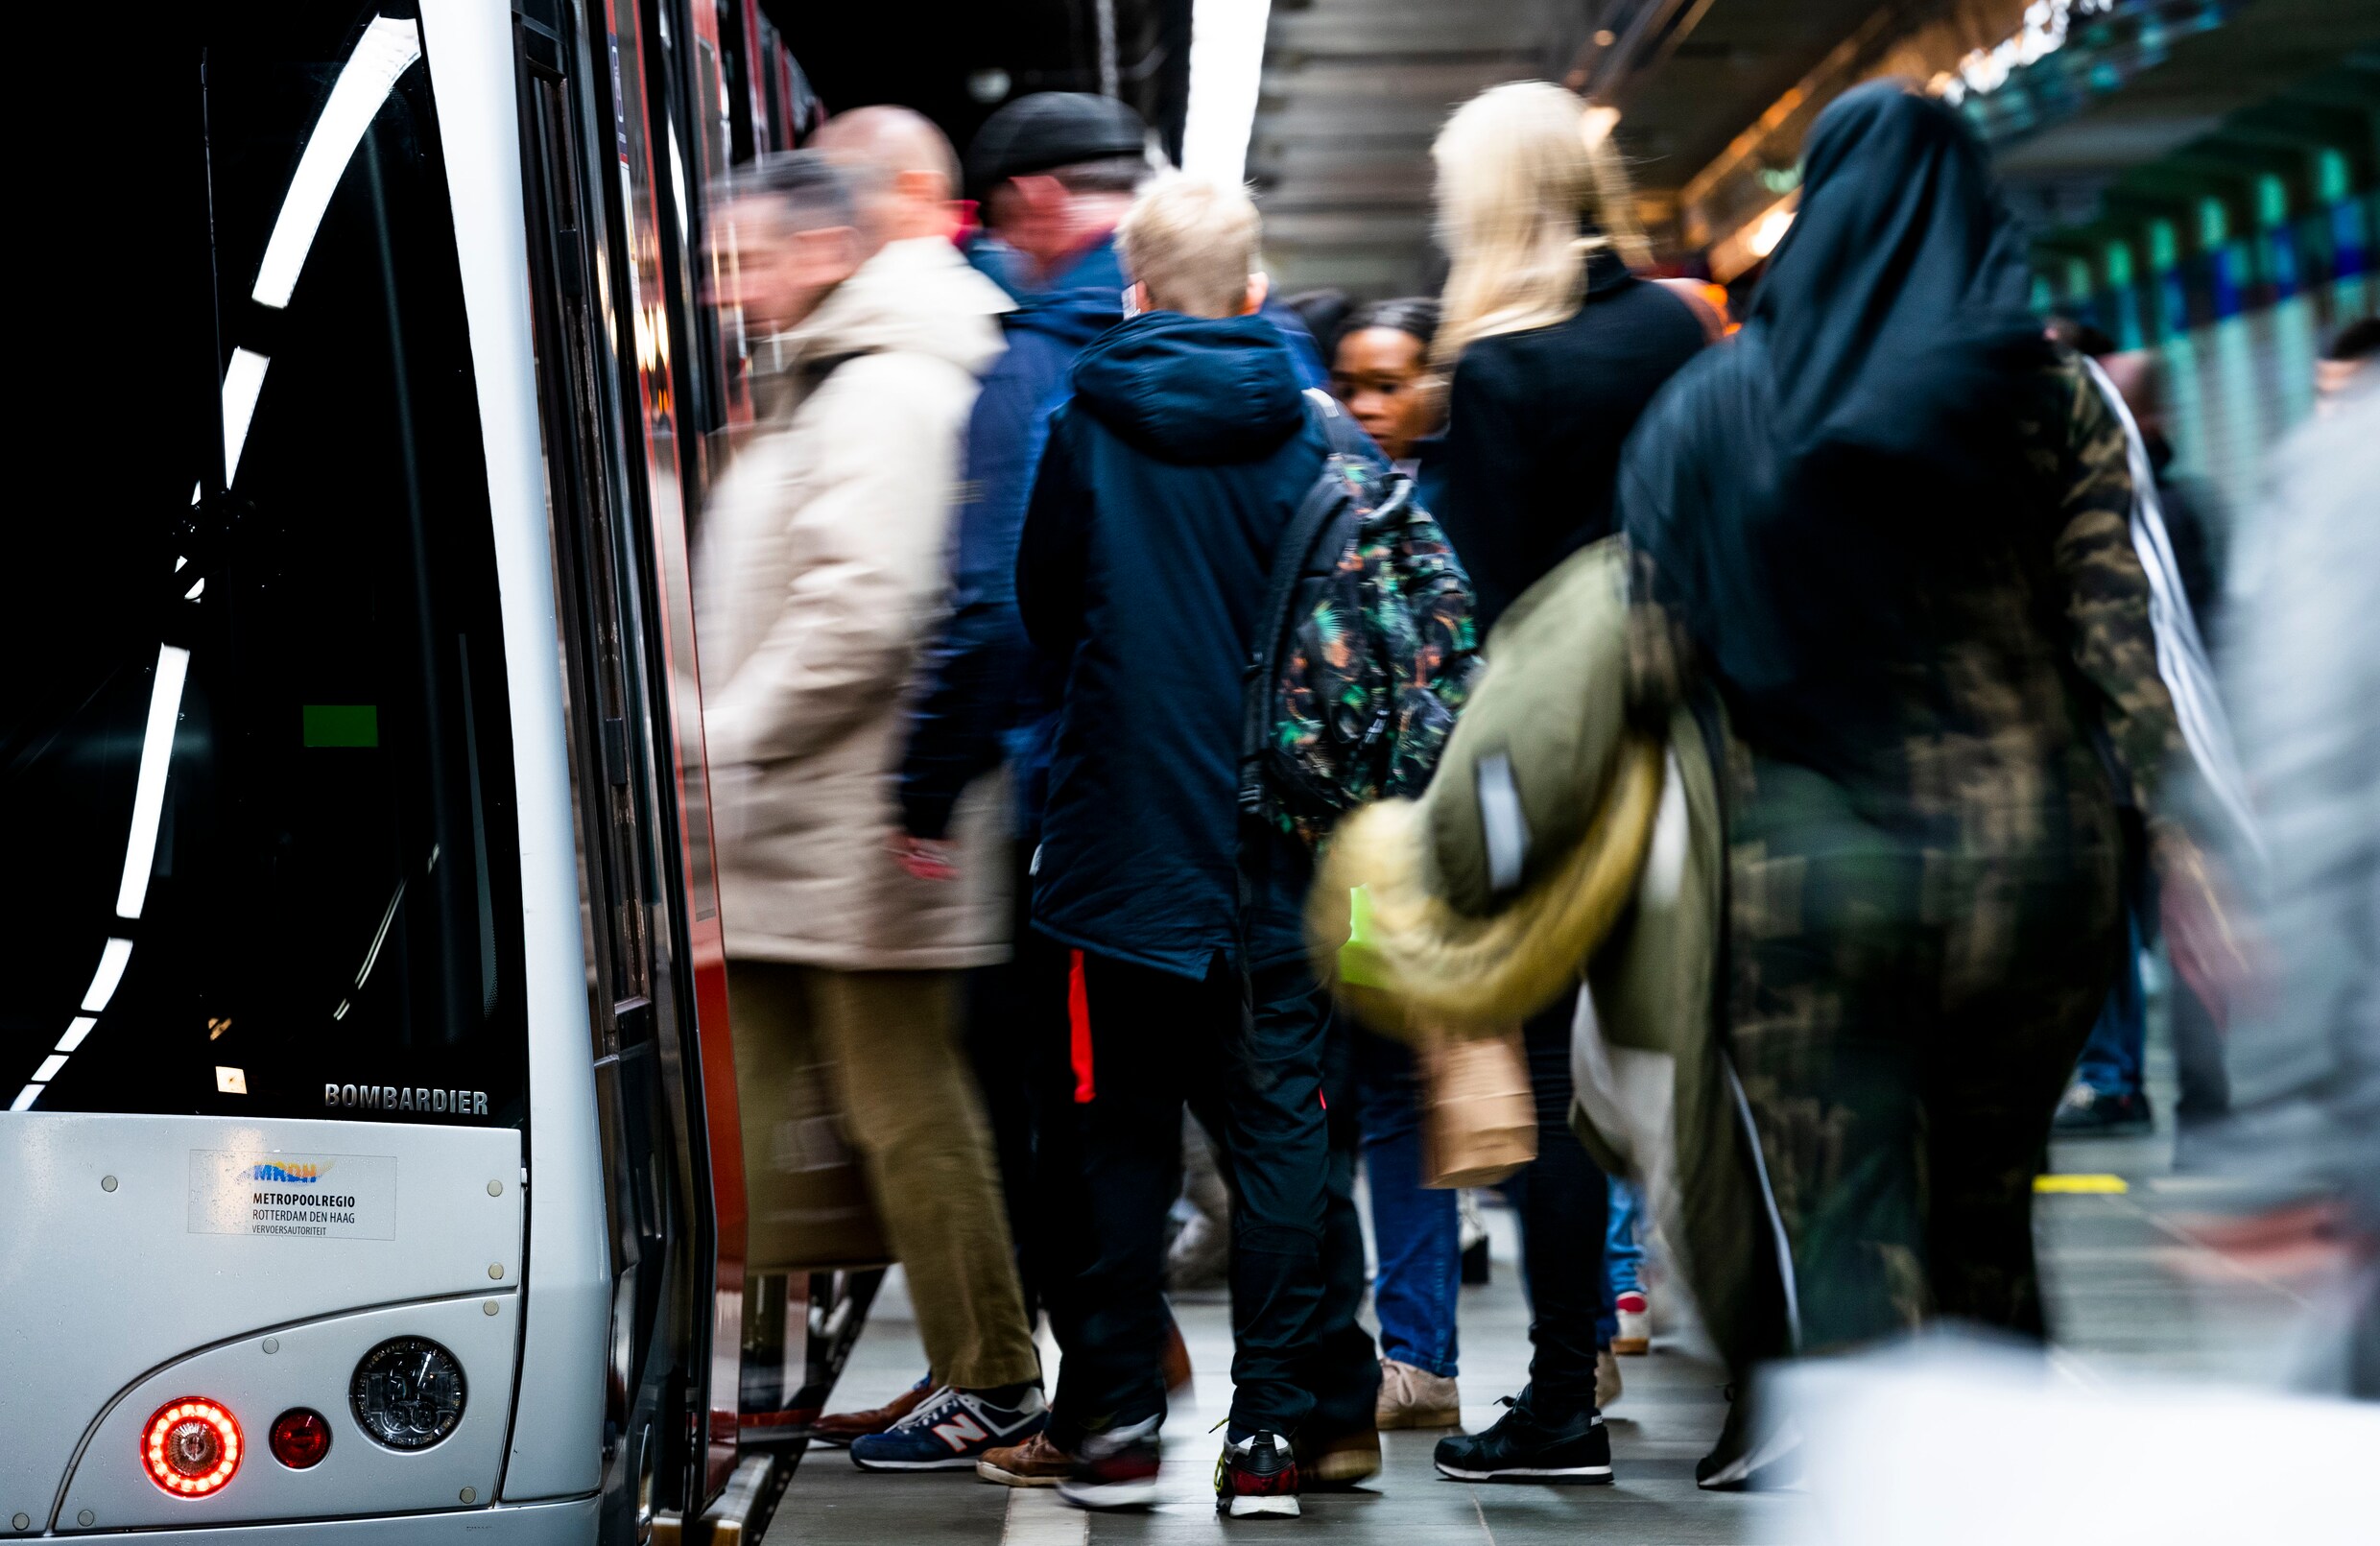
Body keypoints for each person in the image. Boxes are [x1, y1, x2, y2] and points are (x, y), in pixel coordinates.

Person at [1614, 83, 2211, 1475]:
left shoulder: (1712, 402)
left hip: (1809, 881)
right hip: (2036, 869)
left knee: (1850, 1220)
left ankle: (1888, 1482)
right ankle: (1999, 1480)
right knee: (1989, 1211)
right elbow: (2119, 637)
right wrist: (2184, 838)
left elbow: (1645, 657)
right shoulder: (2050, 393)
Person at [1015, 173, 1380, 1518]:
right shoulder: (1328, 438)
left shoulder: (1083, 426)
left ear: (1135, 288)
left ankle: (1112, 1424)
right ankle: (1277, 1429)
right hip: (1289, 850)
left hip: (1118, 853)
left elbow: (1043, 616)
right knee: (1285, 1131)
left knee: (1109, 1141)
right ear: (1252, 290)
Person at [693, 147, 1048, 1474]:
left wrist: (720, 737)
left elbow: (865, 614)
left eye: (747, 255)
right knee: (749, 1096)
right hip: (802, 826)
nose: (727, 283)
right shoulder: (831, 377)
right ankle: (728, 1370)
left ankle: (996, 1371)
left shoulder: (880, 389)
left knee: (905, 1103)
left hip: (862, 829)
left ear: (827, 249)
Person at [1421, 80, 1706, 1487]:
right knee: (1703, 1054)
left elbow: (1479, 613)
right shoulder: (1679, 324)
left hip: (1555, 762)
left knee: (1549, 1081)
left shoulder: (1499, 368)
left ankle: (1559, 1393)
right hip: (1700, 741)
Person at [882, 91, 1154, 1487]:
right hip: (1235, 799)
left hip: (1074, 802)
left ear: (1038, 199)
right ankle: (1312, 1402)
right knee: (1264, 1097)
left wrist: (927, 781)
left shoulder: (1035, 363)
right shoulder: (1254, 337)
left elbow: (992, 607)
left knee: (1064, 1106)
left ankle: (1102, 1396)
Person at [1321, 297, 1465, 1431]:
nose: (1370, 405)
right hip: (1356, 848)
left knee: (1418, 1096)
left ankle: (1421, 1349)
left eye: (1391, 381)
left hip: (1425, 843)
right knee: (1385, 1098)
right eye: (1352, 382)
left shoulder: (1452, 506)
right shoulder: (1337, 495)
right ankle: (1410, 1352)